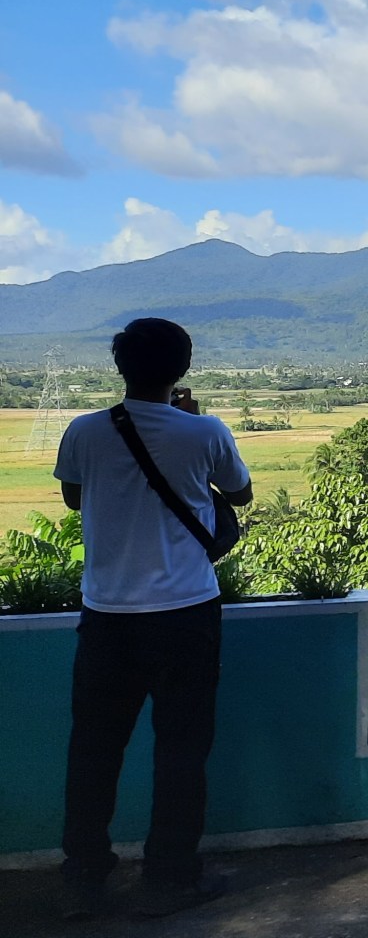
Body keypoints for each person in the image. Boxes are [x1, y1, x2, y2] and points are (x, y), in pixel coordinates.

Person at [52, 318, 253, 919]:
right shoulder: (205, 432)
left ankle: (85, 875)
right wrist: (189, 424)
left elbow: (73, 496)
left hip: (107, 615)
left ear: (120, 368)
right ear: (182, 370)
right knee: (183, 750)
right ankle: (171, 877)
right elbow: (238, 495)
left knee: (93, 750)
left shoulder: (84, 431)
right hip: (186, 615)